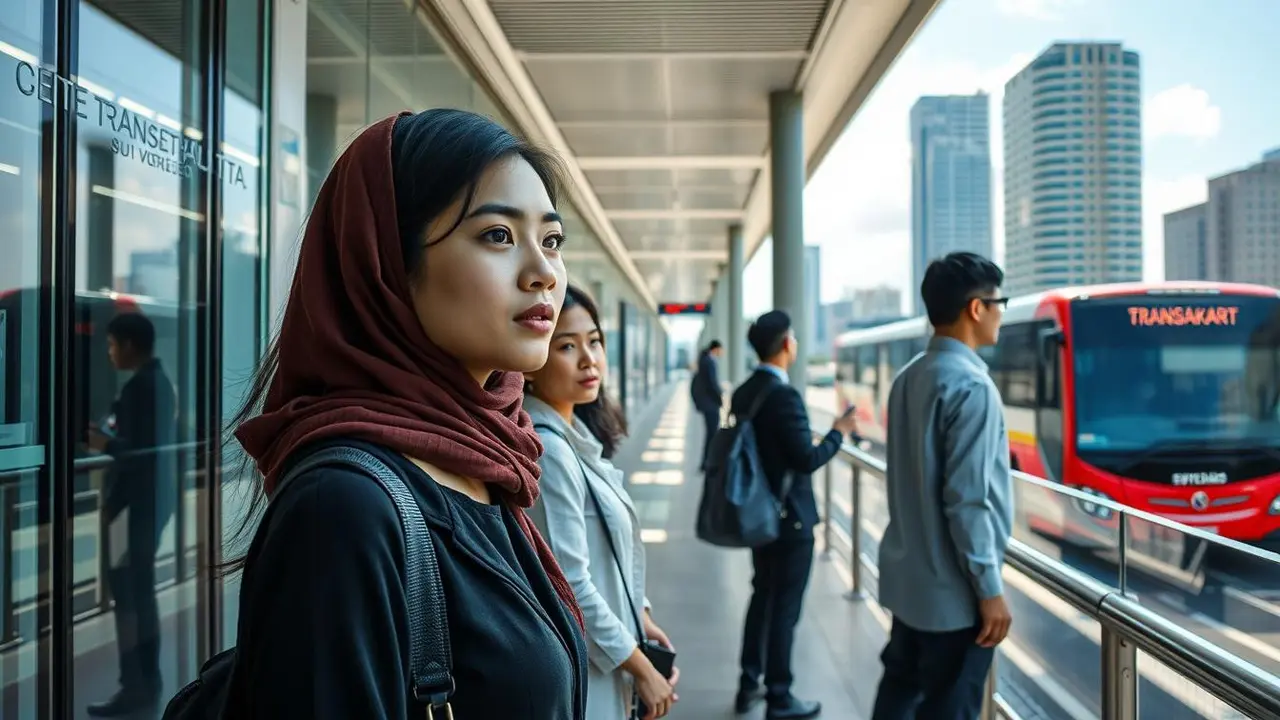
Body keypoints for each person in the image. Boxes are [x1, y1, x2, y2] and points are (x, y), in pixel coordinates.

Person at [220, 109, 588, 718]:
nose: (544, 273)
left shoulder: (487, 460)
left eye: (551, 241)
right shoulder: (344, 507)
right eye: (498, 235)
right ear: (385, 261)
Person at [525, 284, 681, 720]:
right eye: (566, 346)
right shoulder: (550, 451)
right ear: (533, 361)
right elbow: (570, 584)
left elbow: (603, 556)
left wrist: (641, 616)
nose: (588, 358)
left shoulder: (573, 438)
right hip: (589, 675)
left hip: (604, 656)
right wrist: (640, 666)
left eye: (593, 341)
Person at [871, 252, 1014, 720]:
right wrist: (989, 590)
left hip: (910, 585)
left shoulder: (908, 377)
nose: (1001, 314)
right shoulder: (973, 388)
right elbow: (968, 502)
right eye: (999, 302)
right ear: (977, 308)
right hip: (955, 598)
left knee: (897, 697)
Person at [732, 310, 858, 720]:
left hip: (758, 515)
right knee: (784, 609)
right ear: (786, 344)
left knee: (762, 596)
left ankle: (749, 682)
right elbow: (806, 458)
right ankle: (780, 697)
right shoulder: (785, 395)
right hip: (791, 521)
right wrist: (839, 430)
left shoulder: (745, 390)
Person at [85, 312, 177, 716]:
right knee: (140, 593)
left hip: (132, 510)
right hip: (148, 505)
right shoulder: (159, 384)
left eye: (111, 345)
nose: (108, 353)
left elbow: (138, 453)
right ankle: (145, 679)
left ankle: (135, 685)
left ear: (129, 346)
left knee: (129, 597)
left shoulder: (141, 388)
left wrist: (103, 444)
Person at [692, 339, 724, 470]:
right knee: (712, 433)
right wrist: (720, 399)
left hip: (706, 402)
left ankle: (707, 461)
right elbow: (712, 384)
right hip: (710, 403)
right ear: (716, 349)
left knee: (711, 433)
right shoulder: (709, 362)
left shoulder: (704, 360)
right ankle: (708, 462)